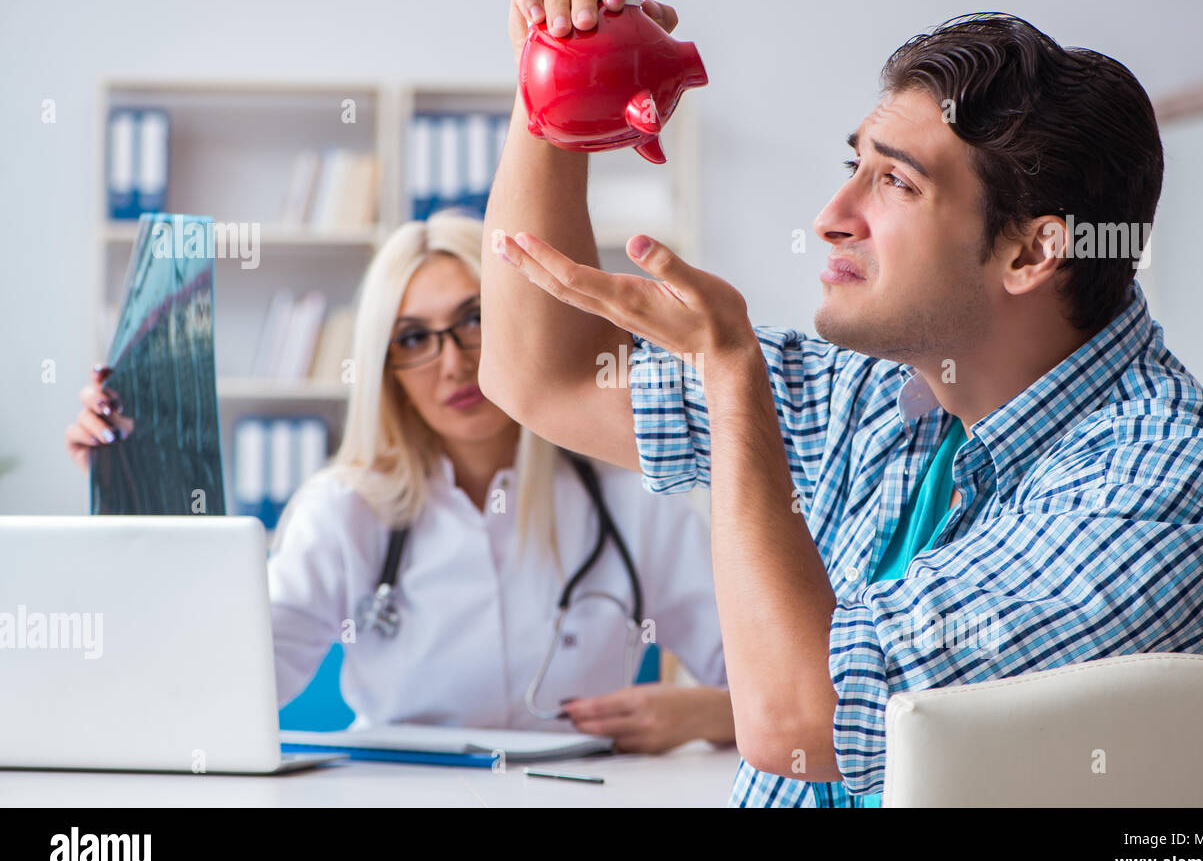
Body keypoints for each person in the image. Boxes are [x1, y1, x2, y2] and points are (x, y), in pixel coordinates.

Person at [478, 0, 1203, 805]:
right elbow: (544, 375)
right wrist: (554, 87)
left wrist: (733, 386)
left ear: (1031, 250)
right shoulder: (876, 394)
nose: (832, 219)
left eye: (895, 182)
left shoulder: (1166, 493)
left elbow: (801, 722)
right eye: (854, 167)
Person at [66, 209, 734, 754]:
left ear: (523, 322)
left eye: (475, 318)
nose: (453, 362)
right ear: (384, 368)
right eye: (413, 338)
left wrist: (707, 713)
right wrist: (134, 506)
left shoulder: (637, 497)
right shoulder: (342, 511)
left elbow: (790, 700)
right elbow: (213, 688)